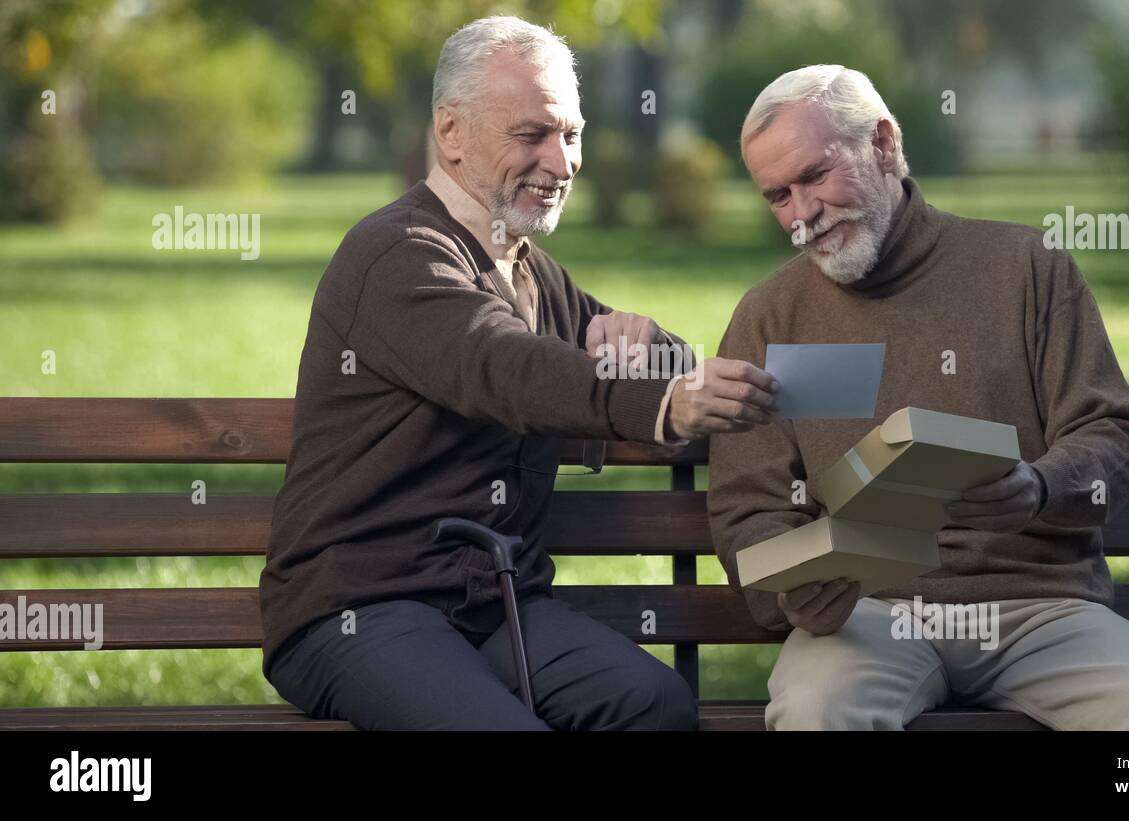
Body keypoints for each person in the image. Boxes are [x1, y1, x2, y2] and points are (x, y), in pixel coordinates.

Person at [259, 16, 779, 730]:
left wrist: (650, 344)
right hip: (358, 609)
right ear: (451, 133)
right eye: (531, 135)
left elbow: (662, 364)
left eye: (572, 135)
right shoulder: (397, 255)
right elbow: (505, 365)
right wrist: (662, 397)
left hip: (495, 606)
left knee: (656, 707)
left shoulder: (529, 270)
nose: (561, 162)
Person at [707, 64, 1129, 731]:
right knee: (816, 711)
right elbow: (748, 507)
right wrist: (791, 585)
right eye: (778, 195)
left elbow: (1113, 432)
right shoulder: (770, 314)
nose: (801, 214)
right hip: (867, 613)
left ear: (884, 144)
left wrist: (1038, 487)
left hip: (1040, 606)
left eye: (815, 176)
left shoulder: (1027, 267)